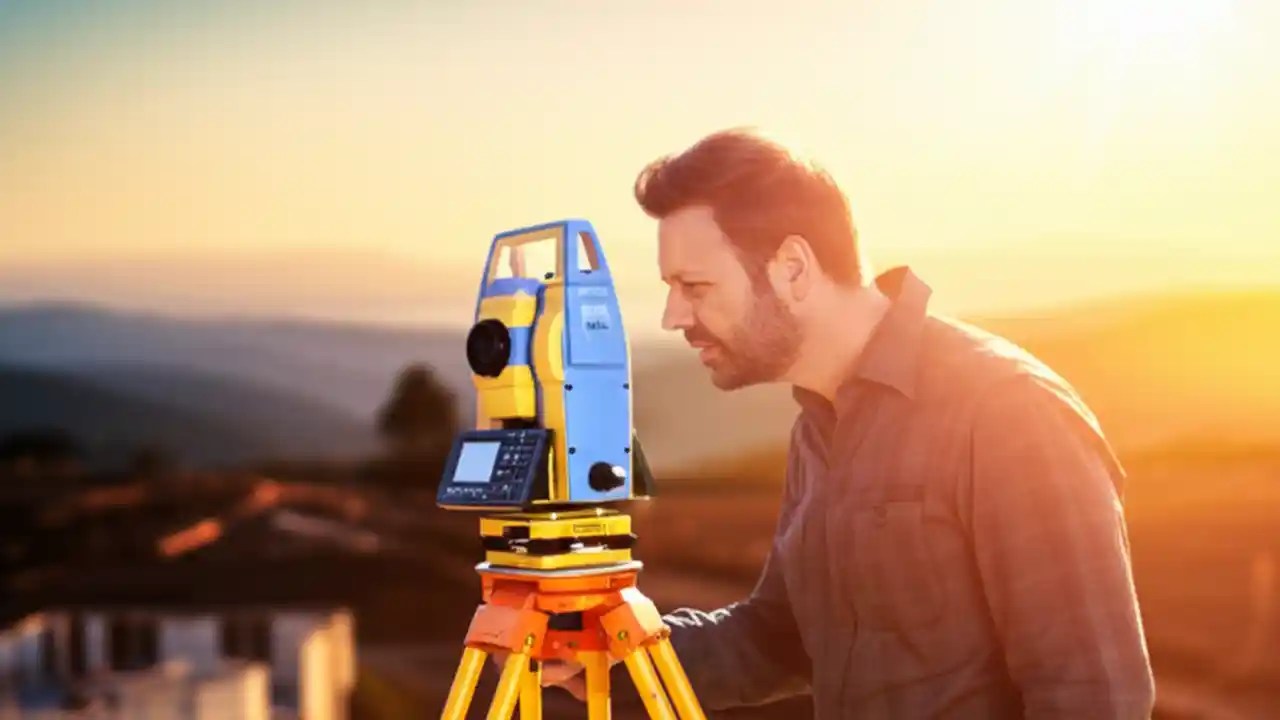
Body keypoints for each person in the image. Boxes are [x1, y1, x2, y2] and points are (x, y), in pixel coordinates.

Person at [540, 127, 1156, 718]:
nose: (674, 316)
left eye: (695, 286)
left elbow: (1093, 696)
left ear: (793, 268)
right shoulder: (818, 428)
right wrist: (621, 653)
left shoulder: (1006, 412)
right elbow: (781, 640)